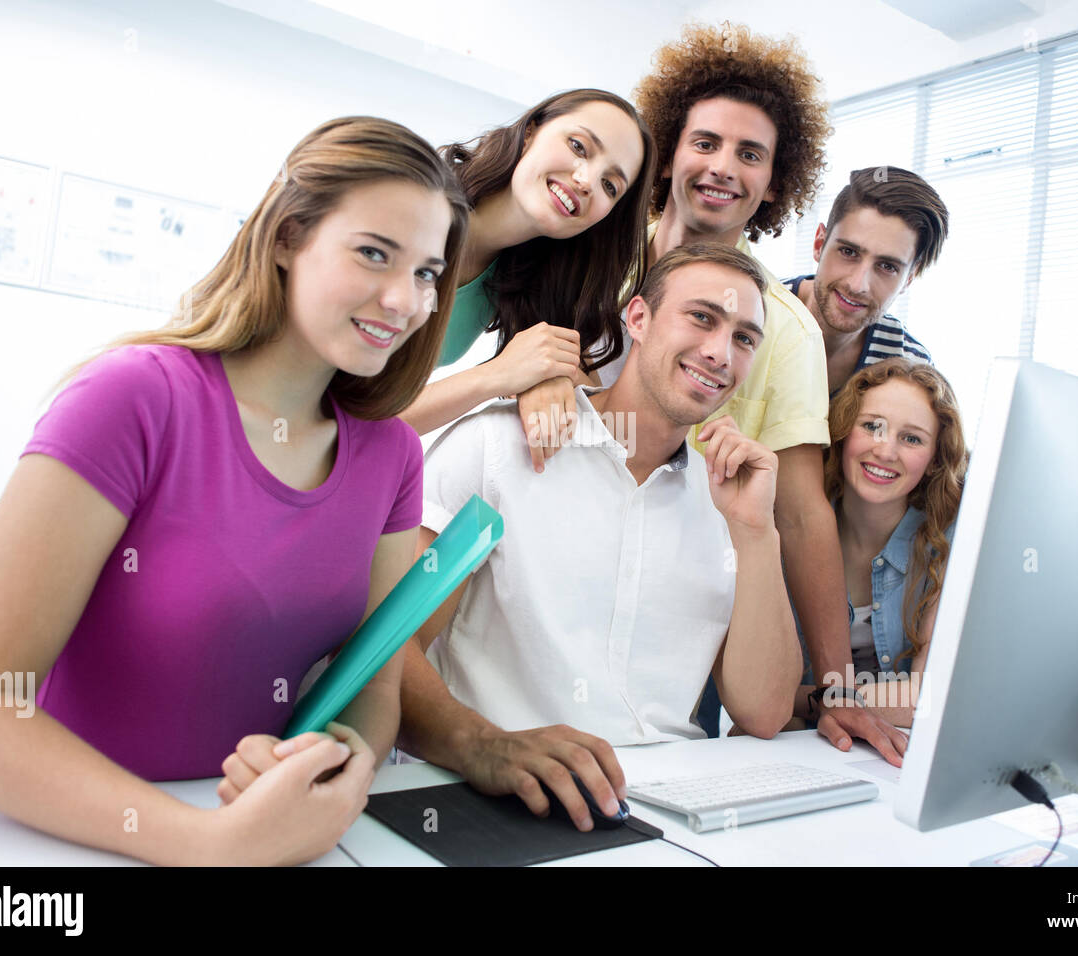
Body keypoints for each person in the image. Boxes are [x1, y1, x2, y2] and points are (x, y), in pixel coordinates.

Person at [0, 117, 469, 866]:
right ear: (287, 237)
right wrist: (206, 844)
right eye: (374, 253)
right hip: (73, 844)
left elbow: (372, 685)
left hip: (259, 838)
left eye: (425, 273)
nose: (404, 301)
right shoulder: (132, 399)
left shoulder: (393, 456)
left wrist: (337, 765)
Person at [267, 244, 797, 833]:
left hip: (668, 814)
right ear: (639, 319)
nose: (720, 352)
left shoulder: (729, 503)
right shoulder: (495, 448)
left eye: (745, 338)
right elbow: (386, 647)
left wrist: (756, 536)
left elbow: (764, 711)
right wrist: (487, 745)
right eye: (702, 318)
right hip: (492, 796)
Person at [601, 22, 906, 762]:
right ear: (670, 146)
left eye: (751, 154)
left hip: (676, 614)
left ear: (776, 182)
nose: (723, 167)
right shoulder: (589, 259)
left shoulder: (786, 331)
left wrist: (835, 686)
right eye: (705, 142)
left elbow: (801, 515)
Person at [400, 89, 657, 471]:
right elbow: (342, 421)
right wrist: (497, 375)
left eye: (610, 186)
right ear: (532, 131)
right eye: (579, 146)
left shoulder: (513, 279)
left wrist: (545, 377)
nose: (587, 180)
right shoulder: (410, 208)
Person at [789, 358, 967, 729]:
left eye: (912, 438)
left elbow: (930, 697)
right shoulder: (790, 527)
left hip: (894, 751)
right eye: (872, 427)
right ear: (842, 432)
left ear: (934, 461)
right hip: (800, 745)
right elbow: (760, 699)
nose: (886, 452)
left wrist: (817, 699)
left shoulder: (952, 540)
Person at [785, 166, 949, 395]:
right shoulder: (754, 311)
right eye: (849, 252)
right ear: (819, 244)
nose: (857, 285)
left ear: (909, 279)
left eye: (887, 266)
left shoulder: (910, 365)